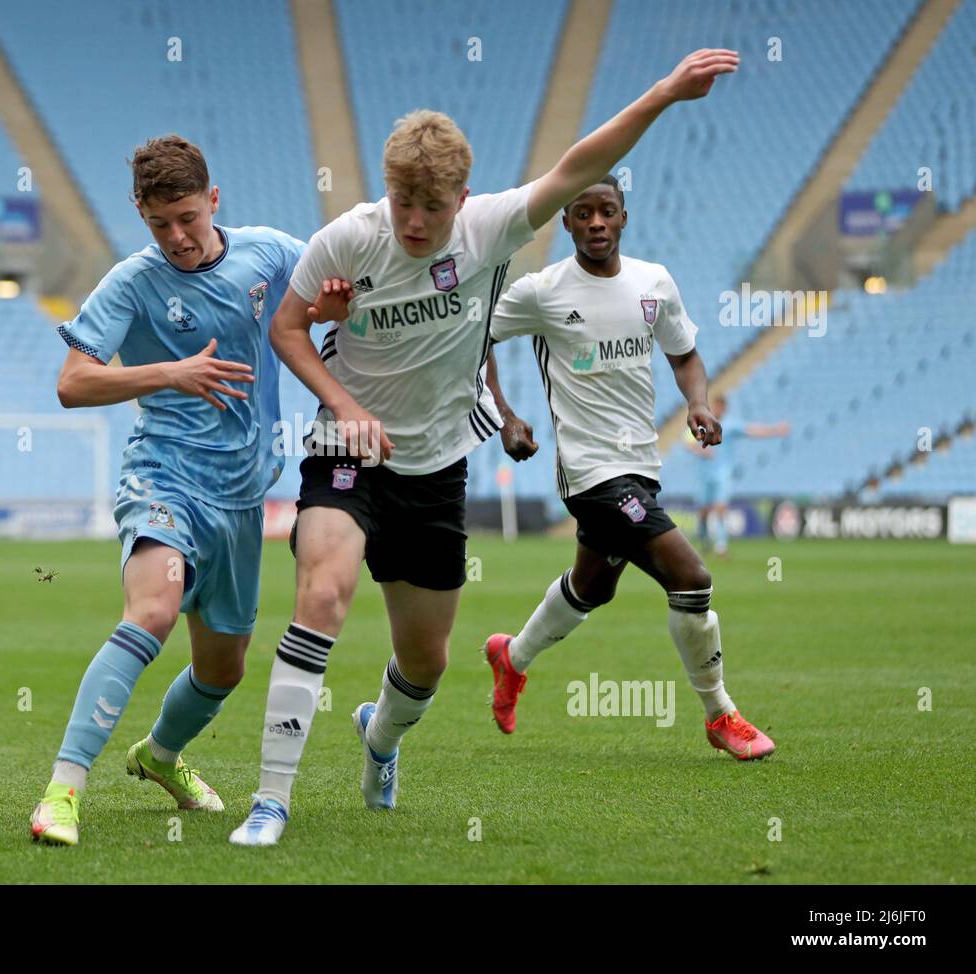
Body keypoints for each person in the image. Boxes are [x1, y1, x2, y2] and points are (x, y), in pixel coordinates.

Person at [229, 49, 743, 847]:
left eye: (431, 206)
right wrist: (342, 405)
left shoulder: (492, 227)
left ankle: (380, 739)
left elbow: (584, 162)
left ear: (460, 198)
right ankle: (271, 799)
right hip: (346, 449)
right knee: (322, 596)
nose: (413, 222)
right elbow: (287, 327)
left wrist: (667, 94)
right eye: (402, 201)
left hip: (436, 465)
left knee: (427, 664)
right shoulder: (346, 240)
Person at [29, 135, 311, 845]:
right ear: (141, 216)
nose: (178, 237)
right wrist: (169, 372)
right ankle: (61, 794)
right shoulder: (132, 282)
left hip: (243, 497)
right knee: (152, 611)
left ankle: (159, 756)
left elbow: (331, 290)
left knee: (223, 670)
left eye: (188, 217)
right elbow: (72, 383)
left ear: (214, 200)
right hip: (165, 476)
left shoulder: (270, 253)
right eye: (161, 224)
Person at [482, 175, 775, 760]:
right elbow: (473, 337)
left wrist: (697, 403)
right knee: (691, 579)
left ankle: (511, 658)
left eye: (606, 212)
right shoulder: (542, 291)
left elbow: (685, 353)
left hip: (642, 463)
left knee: (591, 588)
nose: (595, 222)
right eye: (582, 213)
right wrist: (505, 414)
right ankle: (721, 716)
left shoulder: (653, 283)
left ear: (623, 218)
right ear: (565, 222)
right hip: (588, 473)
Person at [687, 394, 789, 555]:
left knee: (720, 508)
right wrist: (700, 451)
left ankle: (721, 546)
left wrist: (775, 430)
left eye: (721, 406)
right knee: (704, 512)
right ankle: (704, 541)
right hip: (705, 474)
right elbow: (687, 441)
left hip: (723, 473)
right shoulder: (703, 424)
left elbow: (752, 430)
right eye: (716, 406)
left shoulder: (730, 425)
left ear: (725, 408)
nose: (718, 409)